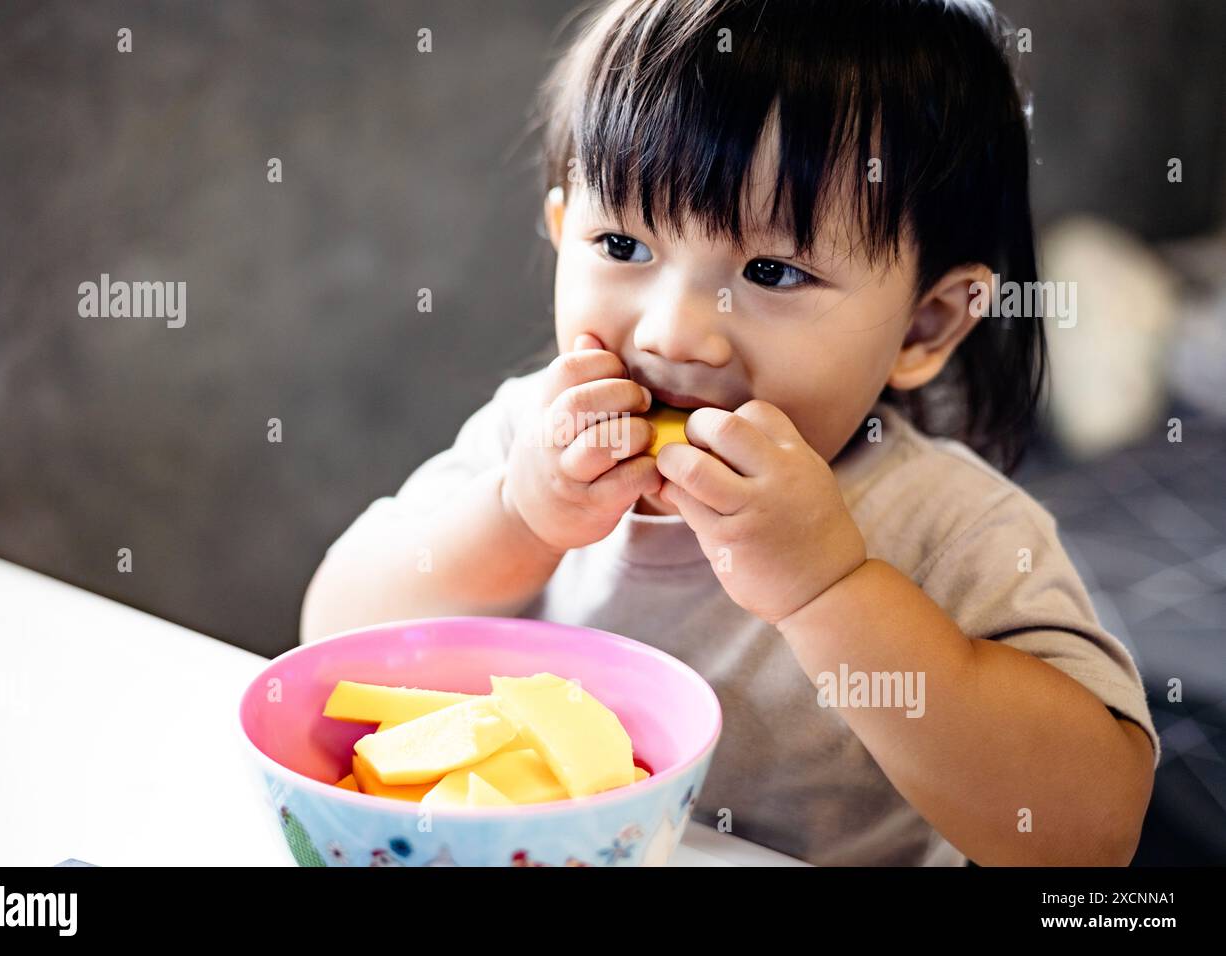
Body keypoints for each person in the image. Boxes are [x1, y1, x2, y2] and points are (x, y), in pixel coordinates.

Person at [302, 0, 1158, 866]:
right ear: (564, 235)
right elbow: (332, 644)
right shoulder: (530, 438)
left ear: (923, 326)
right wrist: (517, 522)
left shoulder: (954, 530)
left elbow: (1087, 836)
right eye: (623, 247)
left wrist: (829, 587)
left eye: (772, 271)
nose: (673, 333)